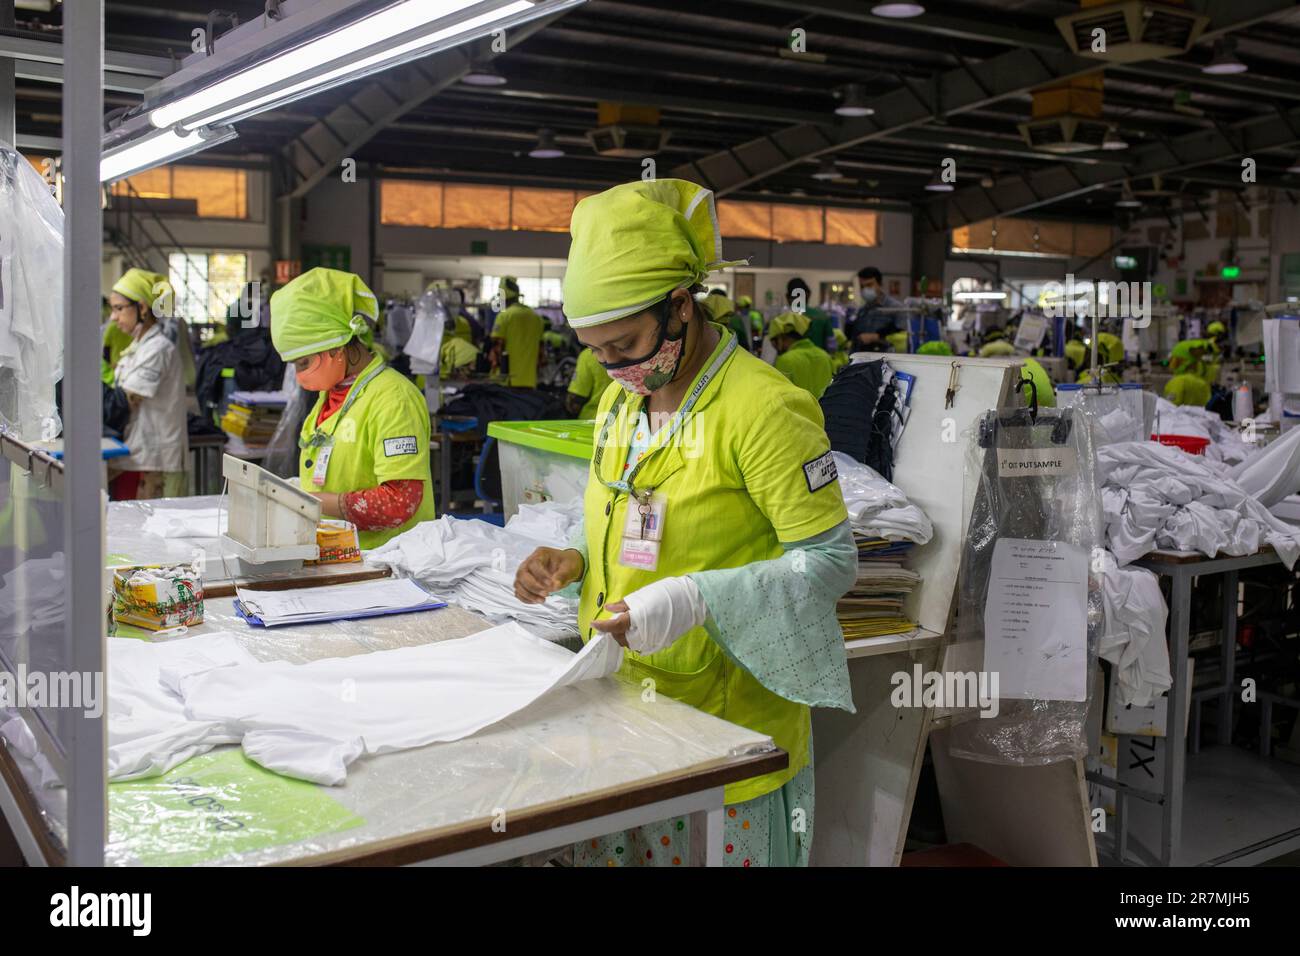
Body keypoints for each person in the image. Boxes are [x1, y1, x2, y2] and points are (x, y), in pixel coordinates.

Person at [514, 179, 855, 867]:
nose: (613, 367)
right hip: (623, 711)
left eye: (625, 344)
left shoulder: (763, 409)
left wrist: (696, 599)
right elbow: (630, 510)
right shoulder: (622, 402)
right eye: (595, 351)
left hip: (722, 729)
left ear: (680, 305)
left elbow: (828, 562)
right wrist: (576, 558)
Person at [269, 268, 437, 549]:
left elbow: (399, 503)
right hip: (341, 554)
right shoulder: (332, 395)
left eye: (304, 363)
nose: (300, 376)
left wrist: (311, 503)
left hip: (389, 562)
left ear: (337, 348)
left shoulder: (394, 399)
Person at [107, 269, 189, 500]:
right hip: (138, 454)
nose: (113, 317)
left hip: (156, 463)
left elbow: (126, 400)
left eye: (119, 308)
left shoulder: (157, 349)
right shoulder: (138, 347)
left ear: (142, 308)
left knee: (155, 531)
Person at [488, 276, 544, 388]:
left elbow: (496, 349)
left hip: (507, 381)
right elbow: (541, 352)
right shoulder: (536, 317)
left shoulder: (504, 316)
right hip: (530, 382)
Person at [770, 311, 834, 398]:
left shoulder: (785, 360)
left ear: (781, 338)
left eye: (773, 342)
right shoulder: (825, 356)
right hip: (826, 411)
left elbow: (781, 397)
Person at [848, 266, 904, 351]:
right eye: (862, 286)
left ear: (880, 284)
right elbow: (855, 341)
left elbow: (903, 339)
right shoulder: (862, 311)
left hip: (886, 359)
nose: (865, 289)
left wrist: (877, 337)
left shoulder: (896, 308)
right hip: (863, 359)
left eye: (869, 285)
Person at [786, 278, 834, 353]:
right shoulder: (822, 316)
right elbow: (832, 347)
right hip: (820, 361)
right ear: (808, 294)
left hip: (793, 362)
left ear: (787, 297)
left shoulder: (783, 320)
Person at [566, 346, 614, 419]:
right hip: (622, 419)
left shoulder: (588, 355)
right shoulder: (628, 351)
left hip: (591, 420)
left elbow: (576, 398)